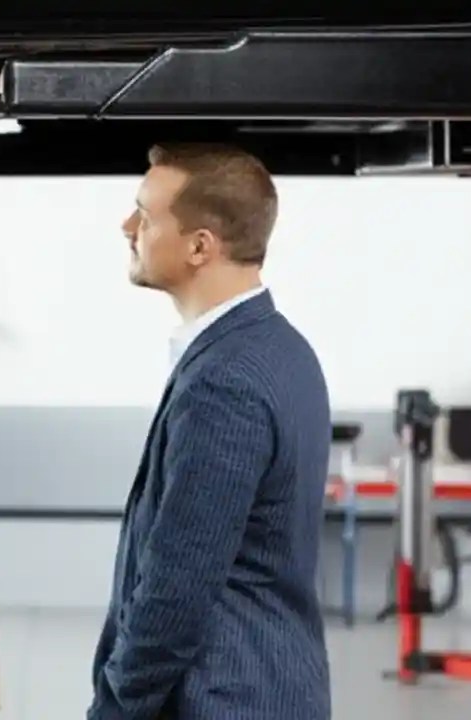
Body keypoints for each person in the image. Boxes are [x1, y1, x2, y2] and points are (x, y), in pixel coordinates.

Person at [88, 143, 332, 720]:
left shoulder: (224, 382)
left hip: (221, 699)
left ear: (200, 246)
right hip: (275, 685)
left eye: (145, 216)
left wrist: (117, 706)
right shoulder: (282, 349)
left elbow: (178, 587)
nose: (127, 227)